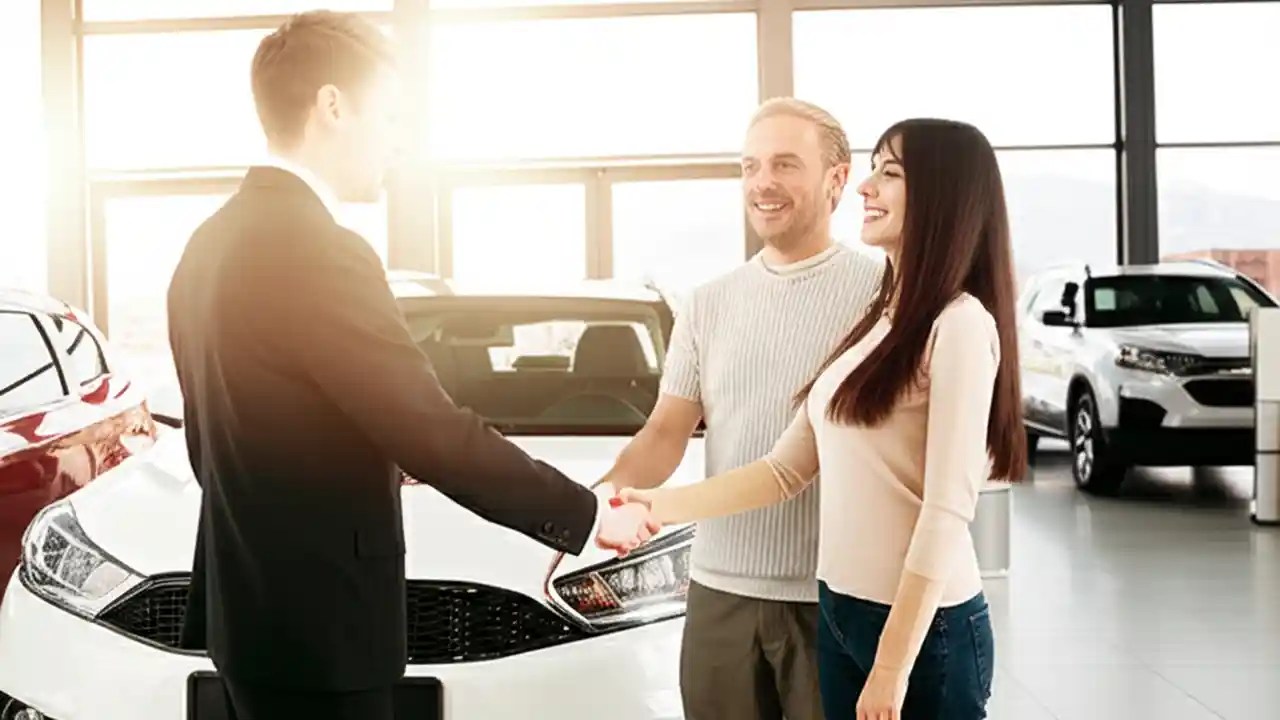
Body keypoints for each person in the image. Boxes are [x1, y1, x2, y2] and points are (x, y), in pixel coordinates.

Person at [166, 12, 656, 720]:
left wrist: (369, 455)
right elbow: (433, 431)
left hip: (245, 618)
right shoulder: (322, 249)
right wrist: (584, 515)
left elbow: (222, 436)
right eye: (389, 115)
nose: (396, 141)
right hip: (324, 631)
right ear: (332, 106)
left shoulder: (205, 247)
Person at [619, 118, 1028, 720]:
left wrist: (891, 668)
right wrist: (651, 507)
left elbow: (946, 511)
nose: (867, 188)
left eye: (889, 173)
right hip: (842, 611)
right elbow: (783, 471)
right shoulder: (879, 321)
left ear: (943, 195)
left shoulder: (959, 324)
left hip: (922, 631)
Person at [597, 97, 884, 720]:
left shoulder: (880, 295)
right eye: (750, 166)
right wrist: (606, 495)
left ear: (837, 179)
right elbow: (666, 431)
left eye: (785, 164)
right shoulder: (708, 302)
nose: (762, 183)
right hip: (718, 593)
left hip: (833, 596)